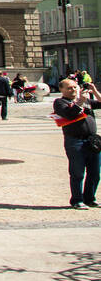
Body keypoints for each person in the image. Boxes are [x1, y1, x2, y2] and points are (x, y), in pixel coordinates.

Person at [52, 77, 101, 208]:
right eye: (69, 88)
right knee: (77, 172)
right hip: (75, 141)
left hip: (92, 141)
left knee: (95, 173)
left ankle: (90, 198)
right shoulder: (60, 102)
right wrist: (79, 103)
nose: (73, 89)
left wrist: (94, 91)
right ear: (61, 89)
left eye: (74, 87)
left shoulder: (86, 101)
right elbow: (69, 115)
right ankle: (77, 200)